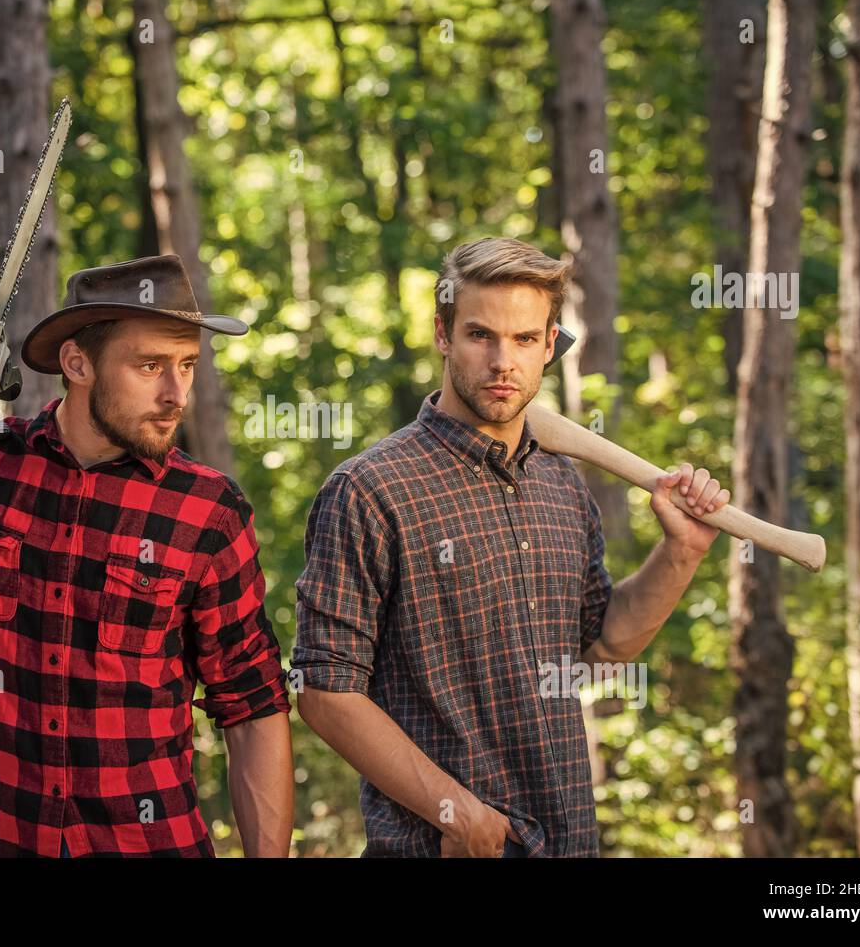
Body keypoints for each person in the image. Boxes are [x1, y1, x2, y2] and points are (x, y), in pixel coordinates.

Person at [0, 254, 293, 857]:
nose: (176, 393)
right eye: (150, 366)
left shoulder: (208, 510)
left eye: (187, 366)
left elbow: (253, 707)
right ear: (77, 362)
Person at [291, 237, 731, 857]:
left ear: (550, 345)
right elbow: (323, 690)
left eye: (525, 339)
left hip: (568, 840)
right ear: (443, 333)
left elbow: (600, 651)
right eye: (481, 335)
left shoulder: (562, 487)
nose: (504, 361)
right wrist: (461, 814)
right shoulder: (370, 490)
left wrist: (681, 553)